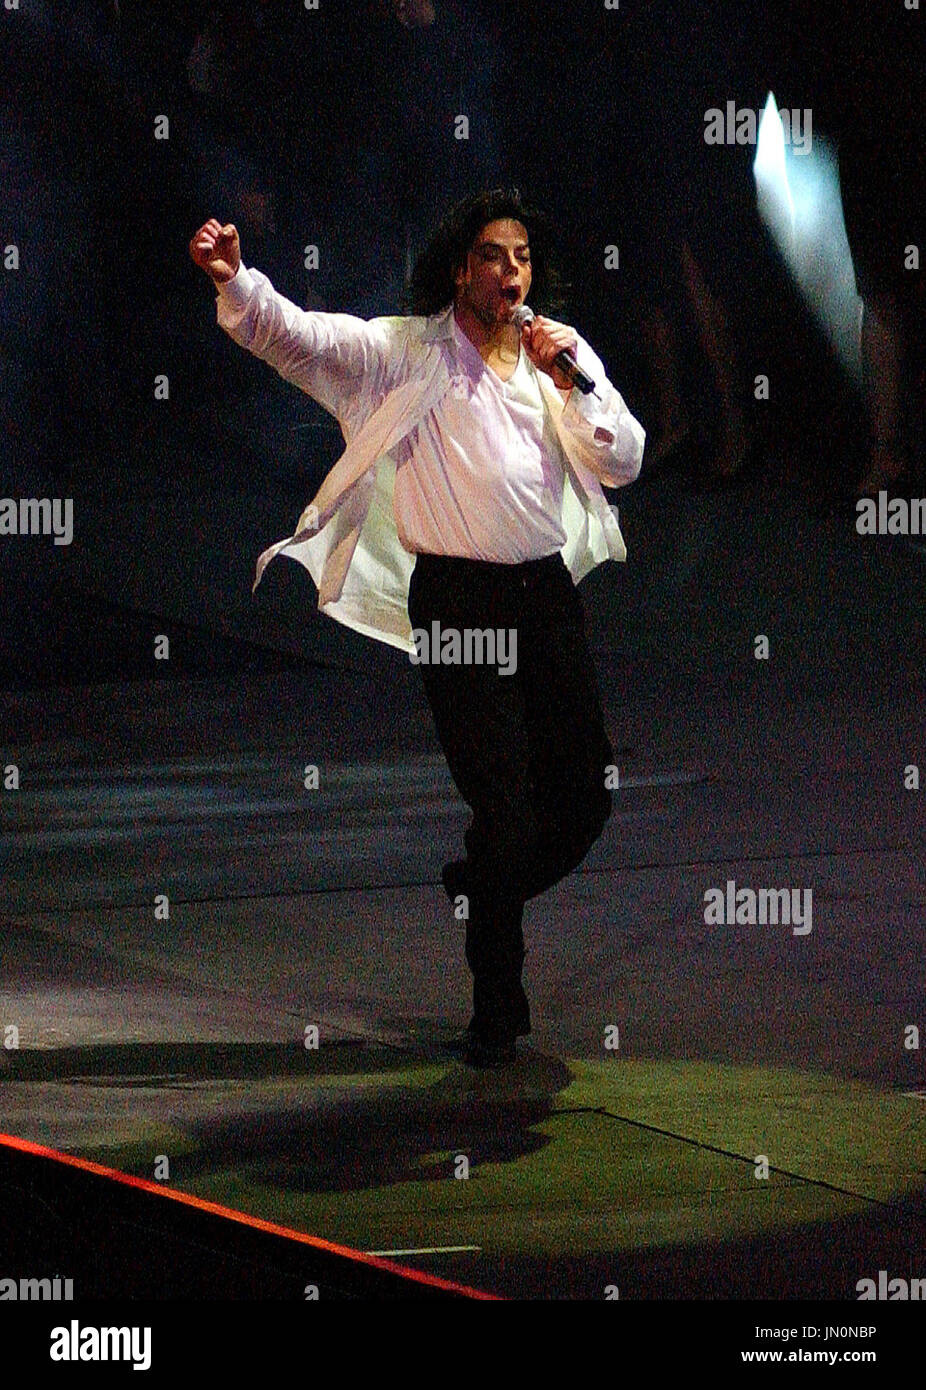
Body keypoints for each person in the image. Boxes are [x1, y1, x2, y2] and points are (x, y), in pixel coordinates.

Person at [189, 189, 645, 1066]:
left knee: (584, 799)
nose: (507, 273)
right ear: (458, 269)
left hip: (544, 598)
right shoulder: (407, 353)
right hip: (459, 605)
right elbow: (302, 338)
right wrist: (238, 281)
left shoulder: (560, 354)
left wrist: (576, 386)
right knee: (505, 809)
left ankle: (481, 886)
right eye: (489, 256)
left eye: (519, 258)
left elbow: (621, 459)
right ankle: (497, 1007)